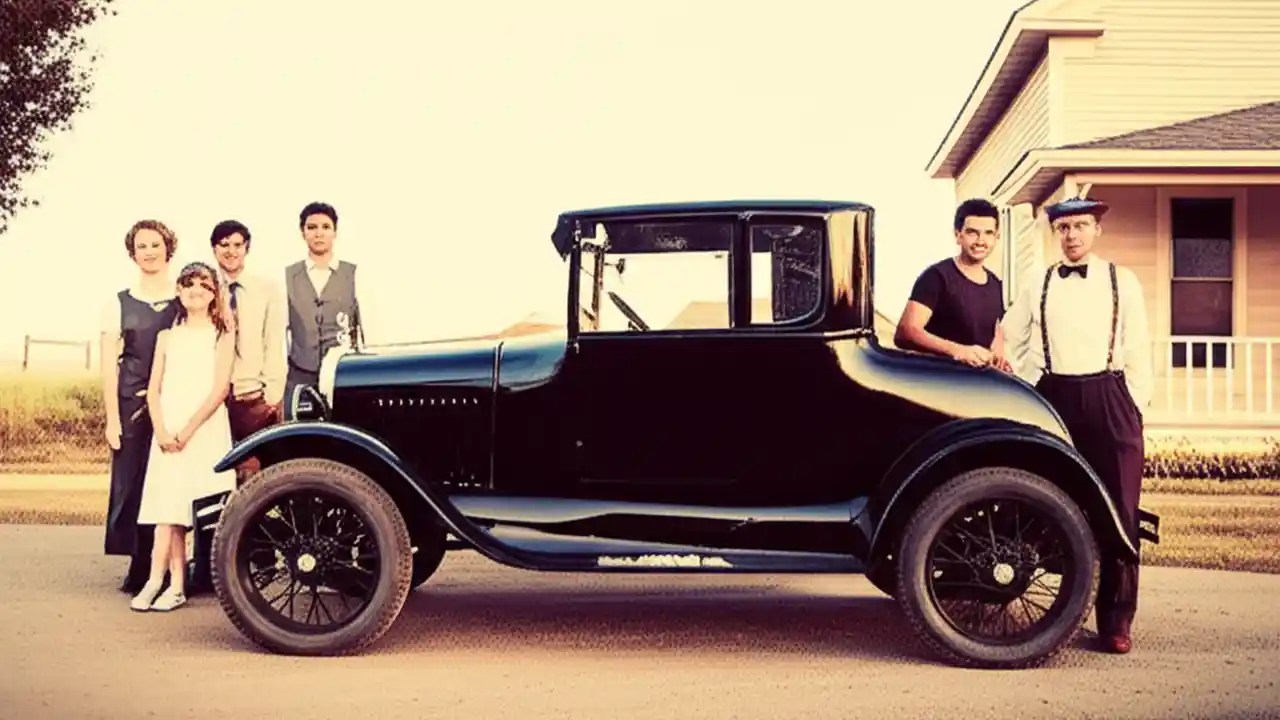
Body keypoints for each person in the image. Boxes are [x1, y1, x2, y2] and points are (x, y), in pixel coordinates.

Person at [1001, 194, 1152, 654]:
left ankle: (1116, 621)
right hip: (1053, 400)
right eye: (1064, 229)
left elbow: (1138, 346)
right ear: (1055, 233)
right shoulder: (1038, 281)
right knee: (1041, 504)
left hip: (1110, 398)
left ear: (1096, 230)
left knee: (1120, 513)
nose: (1072, 236)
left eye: (1081, 226)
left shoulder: (1121, 281)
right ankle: (1045, 610)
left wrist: (1134, 405)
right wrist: (1026, 392)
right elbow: (1009, 336)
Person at [129, 261, 238, 612]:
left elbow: (220, 388)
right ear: (179, 291)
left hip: (201, 428)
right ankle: (168, 583)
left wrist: (189, 430)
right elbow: (153, 388)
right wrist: (161, 429)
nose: (196, 291)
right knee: (168, 506)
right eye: (189, 284)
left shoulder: (222, 335)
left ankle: (159, 581)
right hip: (169, 428)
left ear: (213, 294)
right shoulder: (167, 337)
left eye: (204, 286)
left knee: (184, 507)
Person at [101, 220, 181, 594]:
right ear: (132, 253)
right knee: (132, 483)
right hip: (131, 401)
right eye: (142, 246)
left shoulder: (185, 298)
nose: (149, 251)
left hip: (173, 401)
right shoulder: (119, 301)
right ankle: (139, 564)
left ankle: (174, 568)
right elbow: (108, 364)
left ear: (168, 248)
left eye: (156, 244)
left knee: (170, 483)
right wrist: (111, 419)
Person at [895, 198, 1010, 371]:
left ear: (996, 237)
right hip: (940, 385)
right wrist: (958, 351)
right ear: (958, 235)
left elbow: (996, 338)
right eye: (972, 233)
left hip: (979, 389)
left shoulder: (997, 285)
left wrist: (999, 360)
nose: (980, 241)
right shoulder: (936, 277)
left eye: (988, 233)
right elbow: (905, 332)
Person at [210, 219, 287, 476]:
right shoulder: (204, 289)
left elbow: (274, 341)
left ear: (247, 248)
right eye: (224, 245)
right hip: (212, 396)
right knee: (215, 471)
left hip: (251, 394)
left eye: (237, 245)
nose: (231, 251)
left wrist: (272, 395)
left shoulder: (267, 289)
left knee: (253, 472)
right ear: (214, 249)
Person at [283, 201, 364, 418]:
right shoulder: (288, 276)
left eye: (325, 227)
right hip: (299, 375)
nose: (319, 233)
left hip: (342, 373)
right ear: (303, 233)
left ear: (335, 232)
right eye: (312, 227)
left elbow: (366, 330)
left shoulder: (353, 274)